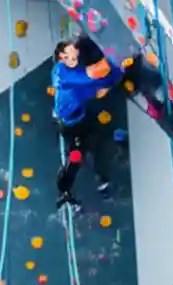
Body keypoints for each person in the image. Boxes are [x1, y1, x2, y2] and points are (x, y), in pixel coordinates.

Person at [52, 37, 125, 210]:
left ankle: (94, 179)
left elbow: (101, 84)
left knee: (89, 146)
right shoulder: (64, 74)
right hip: (73, 124)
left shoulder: (66, 72)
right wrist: (120, 58)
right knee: (79, 155)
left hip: (79, 114)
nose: (74, 51)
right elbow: (99, 72)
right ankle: (66, 188)